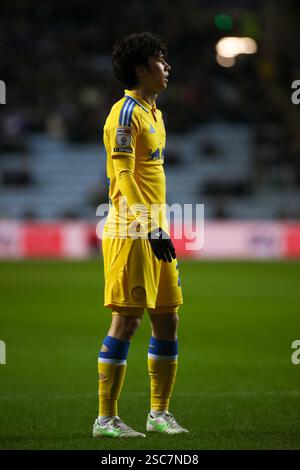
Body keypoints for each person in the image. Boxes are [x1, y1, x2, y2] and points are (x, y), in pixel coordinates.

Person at [93, 32, 188, 438]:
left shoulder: (155, 113)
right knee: (126, 323)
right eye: (159, 60)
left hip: (155, 231)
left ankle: (158, 413)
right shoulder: (124, 114)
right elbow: (125, 175)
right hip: (132, 231)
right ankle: (106, 419)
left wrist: (158, 227)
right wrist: (148, 226)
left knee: (168, 320)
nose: (166, 67)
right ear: (141, 68)